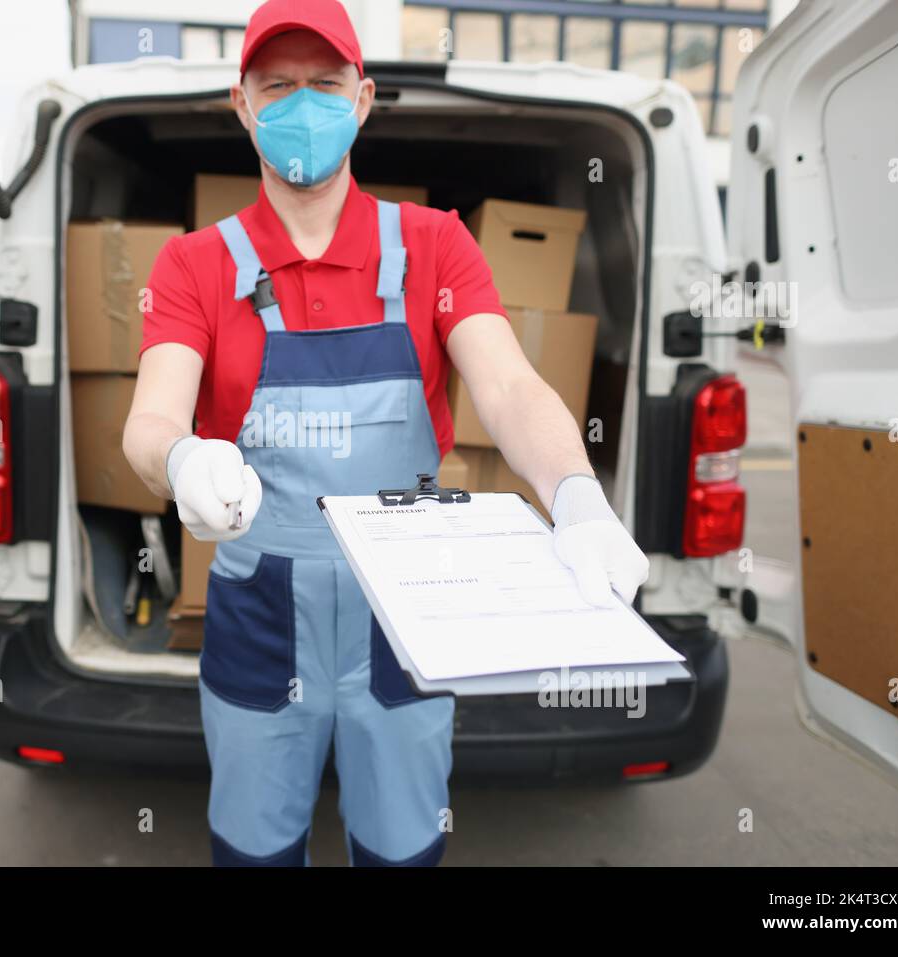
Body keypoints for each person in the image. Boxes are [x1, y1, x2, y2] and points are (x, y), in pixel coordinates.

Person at [123, 0, 649, 866]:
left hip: (408, 616)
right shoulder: (195, 264)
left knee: (403, 846)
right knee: (252, 847)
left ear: (362, 100)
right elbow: (149, 420)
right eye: (278, 85)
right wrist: (181, 458)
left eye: (325, 84)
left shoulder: (434, 247)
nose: (303, 103)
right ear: (243, 104)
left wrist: (578, 497)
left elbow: (511, 386)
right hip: (260, 614)